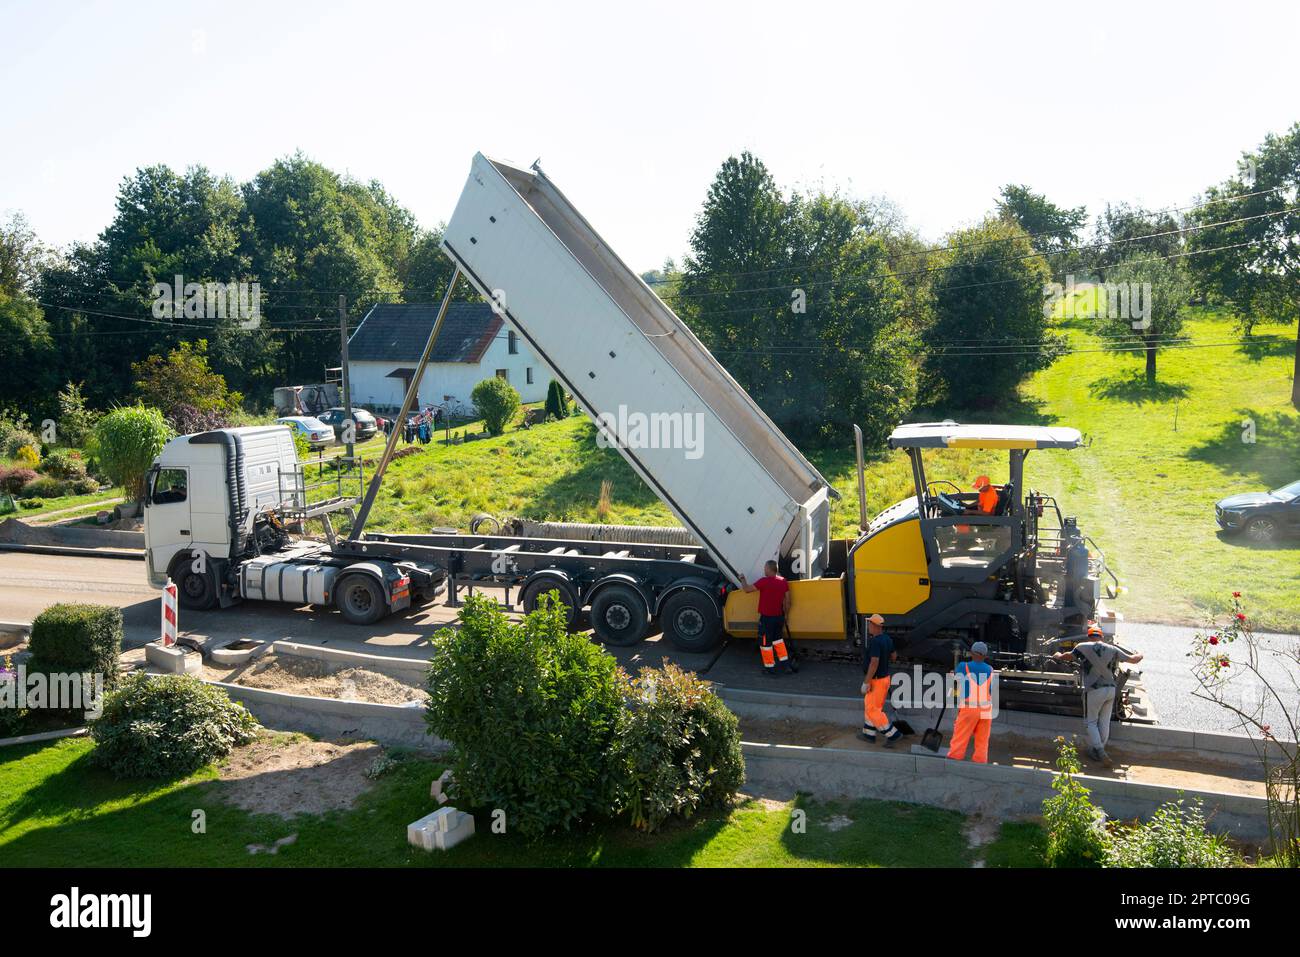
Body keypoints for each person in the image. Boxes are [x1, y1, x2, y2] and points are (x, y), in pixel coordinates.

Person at [1052, 623, 1143, 767]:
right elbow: (1134, 659)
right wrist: (1140, 654)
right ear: (1101, 637)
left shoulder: (1082, 646)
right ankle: (1097, 750)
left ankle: (1100, 752)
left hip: (1094, 690)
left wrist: (1057, 655)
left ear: (1089, 637)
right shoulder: (1113, 649)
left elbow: (1066, 657)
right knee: (1104, 723)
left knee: (1090, 722)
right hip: (1111, 690)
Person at [739, 561, 796, 676]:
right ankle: (786, 666)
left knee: (766, 644)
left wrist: (742, 579)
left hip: (766, 620)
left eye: (765, 568)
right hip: (779, 618)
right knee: (778, 642)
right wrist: (786, 615)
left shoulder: (763, 581)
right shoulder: (783, 581)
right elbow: (788, 601)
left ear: (770, 569)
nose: (764, 570)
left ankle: (770, 669)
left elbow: (747, 590)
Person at [947, 641, 994, 763]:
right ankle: (980, 764)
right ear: (984, 656)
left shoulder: (964, 666)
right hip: (986, 710)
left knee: (961, 736)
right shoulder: (990, 669)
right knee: (982, 740)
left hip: (969, 709)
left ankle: (954, 760)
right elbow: (990, 690)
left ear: (972, 653)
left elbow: (956, 678)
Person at [859, 613, 901, 746]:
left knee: (873, 710)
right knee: (871, 706)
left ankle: (893, 734)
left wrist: (866, 681)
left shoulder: (875, 641)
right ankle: (869, 734)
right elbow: (894, 656)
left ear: (876, 626)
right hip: (884, 679)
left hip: (876, 681)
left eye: (870, 624)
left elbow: (874, 662)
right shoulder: (887, 639)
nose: (868, 627)